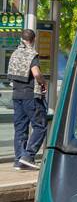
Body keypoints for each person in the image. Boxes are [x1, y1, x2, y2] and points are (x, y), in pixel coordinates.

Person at [8, 29, 47, 170]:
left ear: (22, 38)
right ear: (34, 39)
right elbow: (36, 73)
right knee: (40, 125)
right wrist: (43, 82)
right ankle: (28, 155)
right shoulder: (32, 55)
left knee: (20, 128)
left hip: (16, 95)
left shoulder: (15, 53)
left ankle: (19, 160)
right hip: (30, 96)